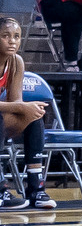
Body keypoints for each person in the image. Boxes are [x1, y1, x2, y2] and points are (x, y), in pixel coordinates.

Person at [0, 17, 55, 209]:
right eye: (5, 36)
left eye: (16, 36)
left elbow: (15, 103)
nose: (12, 41)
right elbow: (17, 106)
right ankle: (0, 190)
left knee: (34, 117)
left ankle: (36, 188)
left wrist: (27, 109)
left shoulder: (16, 62)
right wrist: (23, 107)